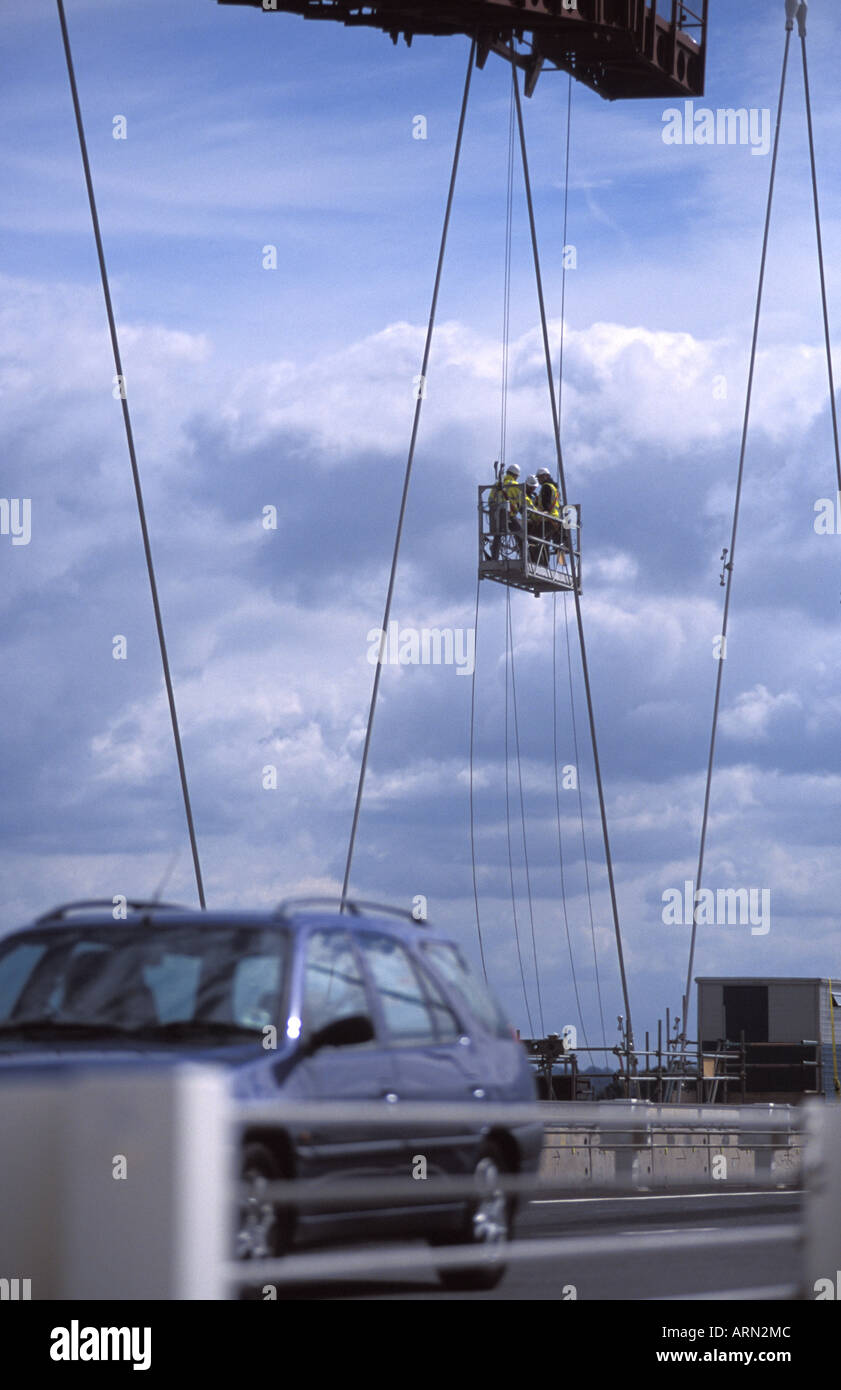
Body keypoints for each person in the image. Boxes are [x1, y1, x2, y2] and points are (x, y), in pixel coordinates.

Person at [487, 463, 523, 560]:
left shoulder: (497, 484)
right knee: (520, 534)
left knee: (497, 536)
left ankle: (494, 558)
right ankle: (524, 557)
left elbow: (490, 500)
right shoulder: (516, 485)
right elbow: (520, 504)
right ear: (515, 475)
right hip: (510, 516)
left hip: (498, 516)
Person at [536, 467, 564, 566]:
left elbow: (546, 503)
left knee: (536, 538)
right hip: (555, 520)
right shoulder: (554, 488)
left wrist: (544, 513)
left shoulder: (546, 487)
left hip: (549, 519)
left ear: (546, 476)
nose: (539, 480)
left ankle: (540, 563)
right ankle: (545, 564)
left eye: (540, 477)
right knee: (546, 541)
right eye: (538, 478)